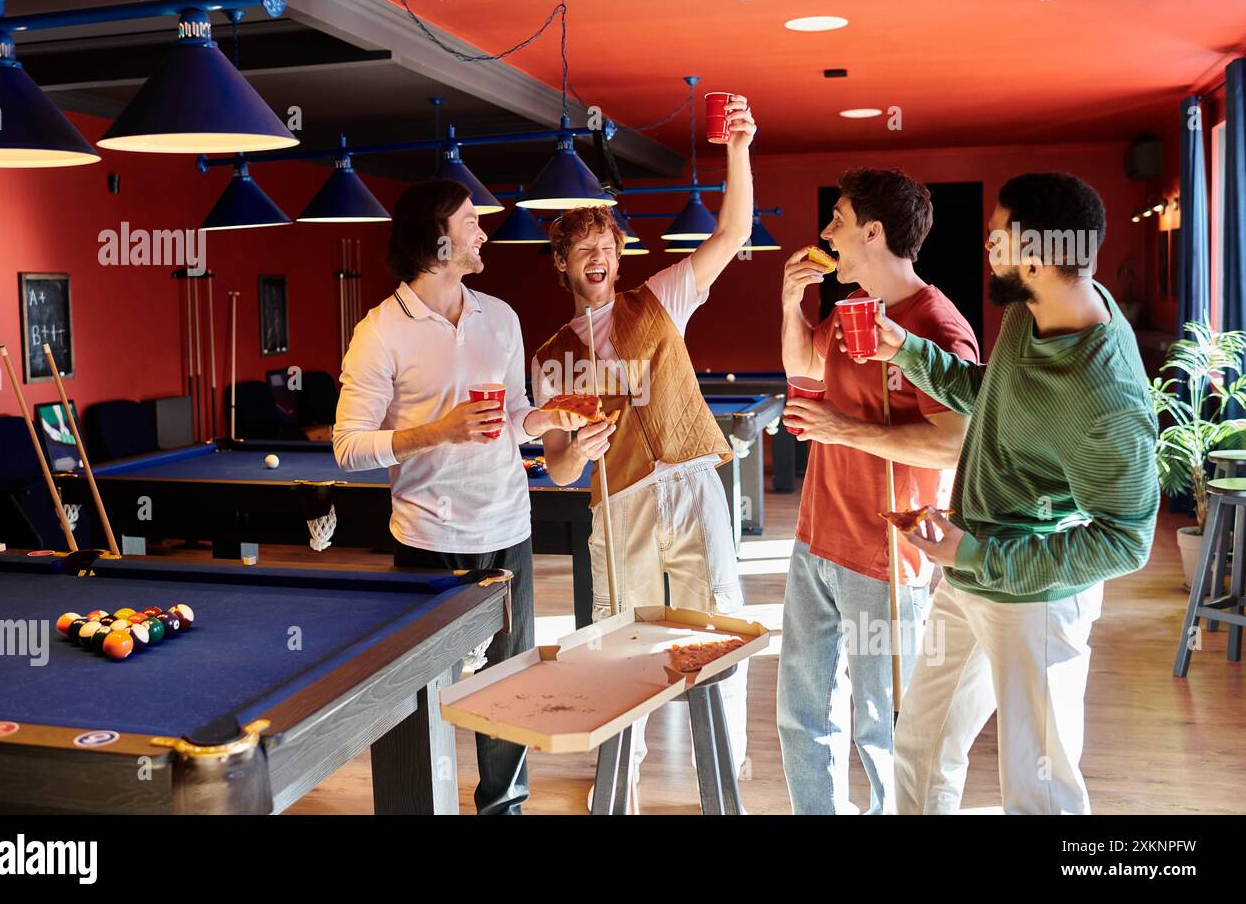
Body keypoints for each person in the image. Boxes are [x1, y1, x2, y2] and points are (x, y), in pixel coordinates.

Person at [842, 172, 1158, 814]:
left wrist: (976, 555)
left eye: (997, 238)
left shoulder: (1106, 399)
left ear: (1036, 258)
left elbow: (1126, 542)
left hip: (1035, 599)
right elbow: (998, 395)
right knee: (921, 748)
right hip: (970, 573)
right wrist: (909, 352)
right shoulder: (1034, 307)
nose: (985, 246)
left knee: (1039, 788)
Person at [530, 94, 757, 800]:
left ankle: (724, 777)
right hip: (617, 501)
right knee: (614, 643)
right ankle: (615, 786)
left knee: (717, 624)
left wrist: (738, 149)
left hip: (690, 484)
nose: (600, 257)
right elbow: (559, 469)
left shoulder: (663, 298)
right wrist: (580, 451)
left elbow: (734, 230)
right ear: (562, 263)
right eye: (584, 250)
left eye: (608, 246)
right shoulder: (549, 357)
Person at [333, 179, 583, 815]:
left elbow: (516, 418)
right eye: (471, 220)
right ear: (437, 240)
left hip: (508, 527)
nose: (483, 230)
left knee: (511, 688)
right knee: (424, 693)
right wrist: (438, 431)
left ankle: (505, 808)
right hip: (429, 540)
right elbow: (349, 447)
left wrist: (550, 419)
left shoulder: (500, 317)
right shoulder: (379, 332)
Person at [777, 168, 979, 814]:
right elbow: (803, 365)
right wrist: (791, 302)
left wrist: (843, 429)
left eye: (836, 219)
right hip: (816, 538)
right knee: (802, 714)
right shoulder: (850, 311)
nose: (826, 232)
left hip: (886, 553)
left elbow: (954, 442)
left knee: (883, 726)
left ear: (872, 232)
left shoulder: (938, 326)